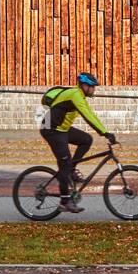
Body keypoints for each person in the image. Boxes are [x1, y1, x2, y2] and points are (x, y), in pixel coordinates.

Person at [40, 72, 117, 213]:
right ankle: (65, 202)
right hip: (51, 129)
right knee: (64, 163)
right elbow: (87, 116)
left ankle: (70, 169)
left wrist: (104, 131)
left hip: (62, 129)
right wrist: (105, 133)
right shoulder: (75, 94)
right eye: (92, 87)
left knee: (86, 140)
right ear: (84, 86)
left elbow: (91, 114)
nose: (94, 90)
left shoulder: (80, 96)